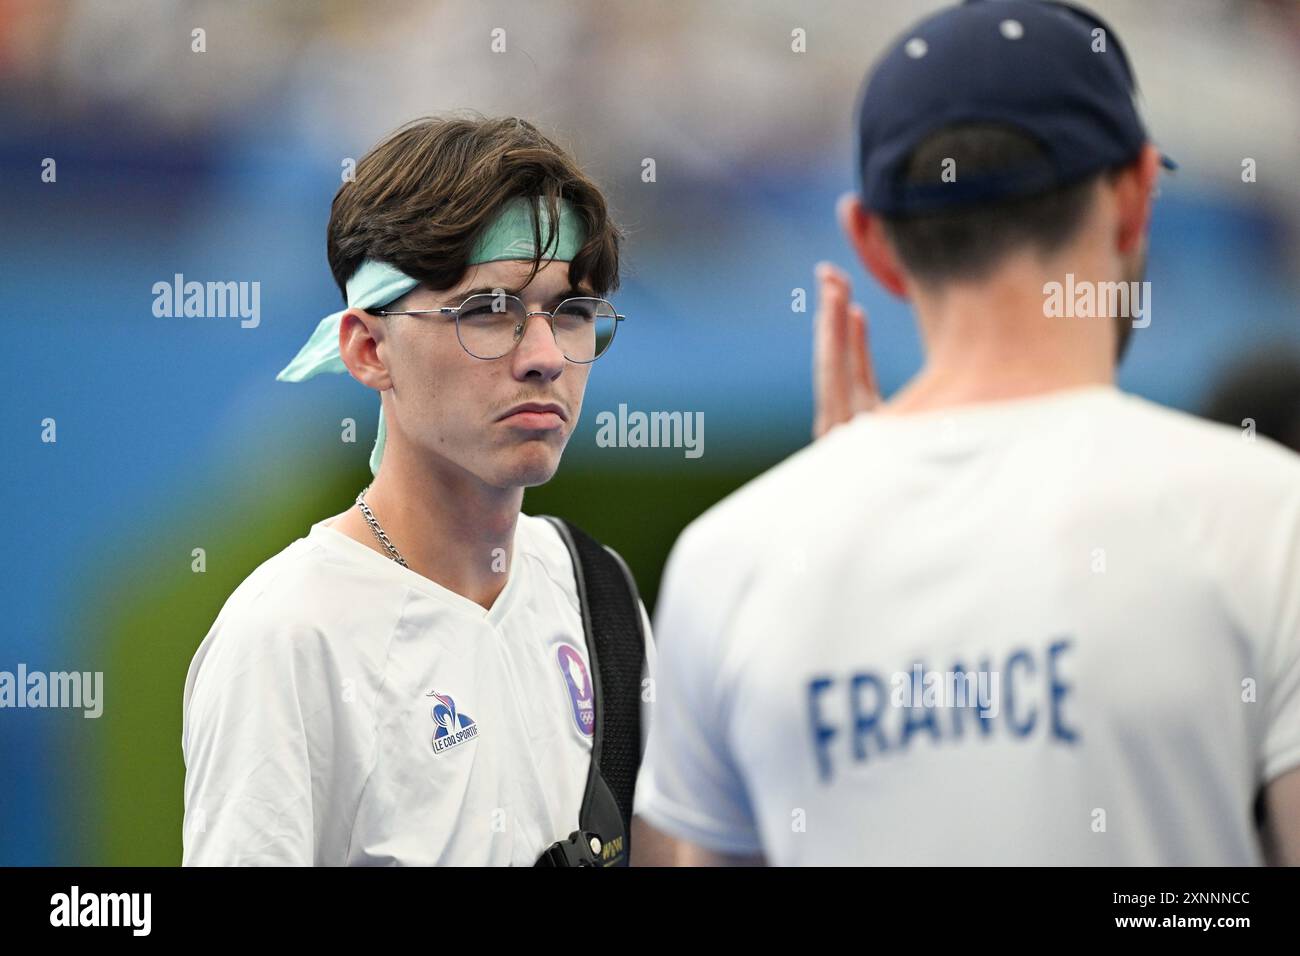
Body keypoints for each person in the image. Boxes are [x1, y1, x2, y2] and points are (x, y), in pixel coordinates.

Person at [636, 0, 1300, 865]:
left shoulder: (731, 560)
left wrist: (840, 522)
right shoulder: (1269, 513)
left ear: (871, 243)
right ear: (1136, 197)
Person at [182, 115, 660, 866]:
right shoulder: (289, 636)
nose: (543, 357)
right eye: (489, 310)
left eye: (571, 312)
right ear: (369, 349)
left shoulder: (599, 591)